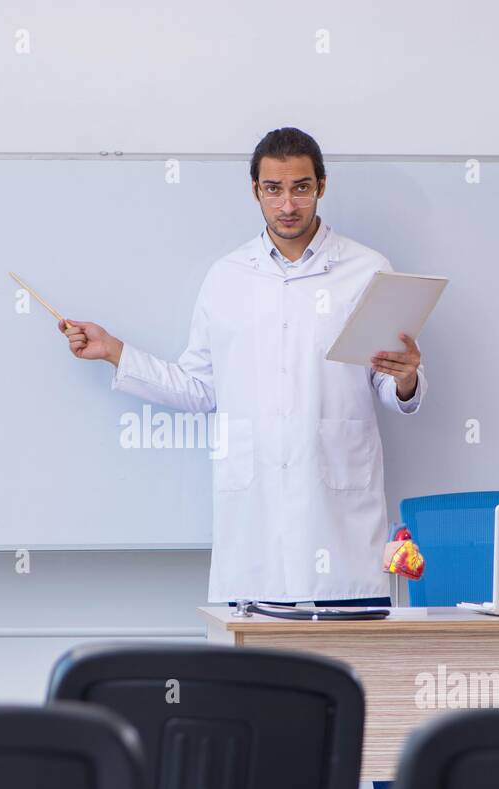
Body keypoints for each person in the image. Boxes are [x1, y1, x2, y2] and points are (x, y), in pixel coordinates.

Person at [60, 128, 424, 605]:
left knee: (349, 668)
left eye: (301, 187)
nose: (288, 205)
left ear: (321, 186)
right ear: (256, 190)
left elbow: (385, 380)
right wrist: (114, 350)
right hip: (256, 533)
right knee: (258, 673)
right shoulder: (227, 277)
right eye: (273, 189)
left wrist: (406, 379)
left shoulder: (368, 270)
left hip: (341, 531)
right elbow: (199, 388)